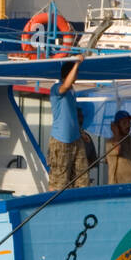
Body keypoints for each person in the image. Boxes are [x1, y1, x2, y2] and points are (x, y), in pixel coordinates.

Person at [48, 54, 89, 191]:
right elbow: (65, 85)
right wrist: (77, 63)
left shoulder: (72, 91)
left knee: (82, 176)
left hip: (75, 139)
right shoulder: (56, 88)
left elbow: (73, 115)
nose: (77, 76)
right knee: (59, 180)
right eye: (76, 73)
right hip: (61, 139)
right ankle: (51, 206)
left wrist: (80, 132)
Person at [105, 109, 131, 184]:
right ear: (117, 125)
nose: (128, 125)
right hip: (117, 184)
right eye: (124, 123)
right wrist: (116, 133)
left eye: (129, 122)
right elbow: (117, 150)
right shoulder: (111, 142)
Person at [77, 108, 99, 185]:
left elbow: (94, 161)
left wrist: (83, 165)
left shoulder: (87, 138)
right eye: (78, 117)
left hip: (83, 181)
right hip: (67, 183)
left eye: (81, 117)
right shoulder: (65, 137)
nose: (80, 119)